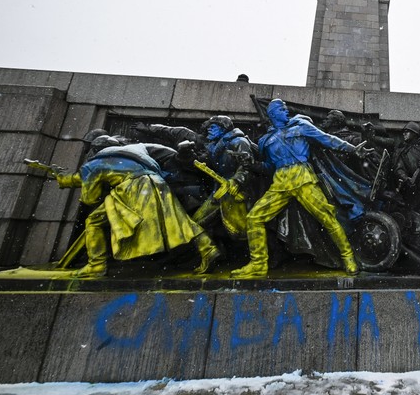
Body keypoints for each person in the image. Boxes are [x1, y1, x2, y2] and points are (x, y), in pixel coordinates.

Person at [231, 99, 369, 278]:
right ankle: (258, 263)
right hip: (280, 183)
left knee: (326, 217)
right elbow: (269, 167)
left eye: (286, 108)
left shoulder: (301, 126)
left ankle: (348, 257)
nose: (286, 110)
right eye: (282, 109)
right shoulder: (265, 140)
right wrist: (251, 164)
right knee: (254, 218)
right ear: (272, 114)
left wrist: (352, 149)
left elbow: (328, 140)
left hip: (303, 178)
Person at [56, 140, 221, 277]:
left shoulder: (92, 164)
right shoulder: (135, 149)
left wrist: (94, 184)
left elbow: (90, 198)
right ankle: (208, 249)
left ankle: (96, 264)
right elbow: (166, 153)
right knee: (178, 220)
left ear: (95, 150)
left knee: (94, 221)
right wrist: (65, 180)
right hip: (157, 182)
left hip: (132, 188)